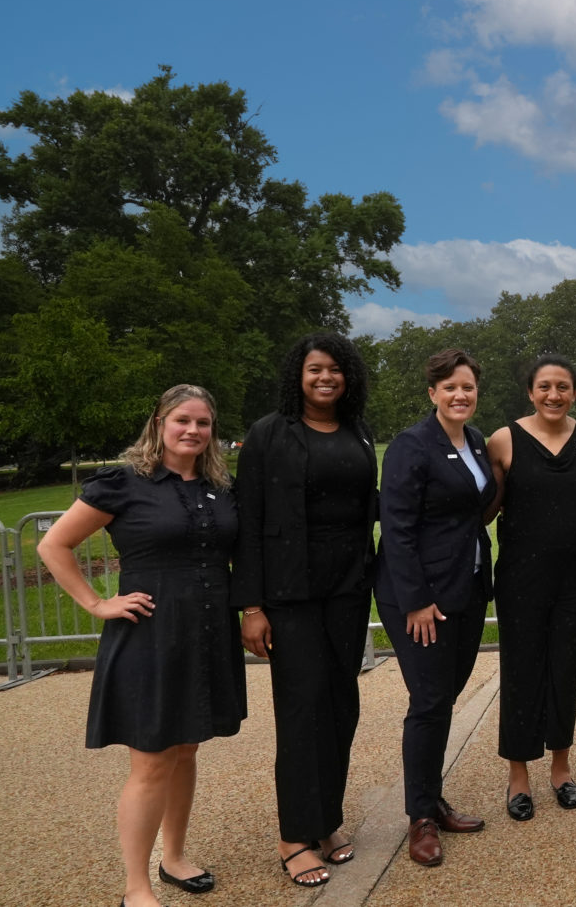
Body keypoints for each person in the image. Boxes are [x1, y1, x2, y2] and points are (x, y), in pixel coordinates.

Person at [38, 385, 244, 907]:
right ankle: (136, 887)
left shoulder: (220, 485)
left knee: (187, 748)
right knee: (152, 759)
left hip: (206, 632)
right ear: (159, 422)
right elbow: (53, 544)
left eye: (203, 422)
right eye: (182, 420)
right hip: (151, 634)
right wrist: (97, 603)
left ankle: (174, 857)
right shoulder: (124, 483)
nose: (193, 430)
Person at [233, 334, 378, 885]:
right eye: (316, 369)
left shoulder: (357, 431)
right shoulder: (270, 433)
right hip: (288, 594)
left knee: (342, 704)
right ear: (299, 375)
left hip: (346, 587)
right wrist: (250, 604)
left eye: (336, 370)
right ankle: (295, 834)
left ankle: (327, 820)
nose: (326, 378)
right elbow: (248, 522)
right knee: (302, 707)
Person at [376, 350, 498, 868]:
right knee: (428, 701)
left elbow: (480, 506)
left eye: (467, 387)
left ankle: (433, 798)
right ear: (432, 393)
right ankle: (420, 818)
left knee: (444, 698)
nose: (460, 395)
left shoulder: (473, 442)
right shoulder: (411, 445)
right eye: (449, 387)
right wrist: (417, 601)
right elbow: (396, 529)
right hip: (421, 598)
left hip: (466, 588)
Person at [488, 354, 576, 820]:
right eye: (544, 387)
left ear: (575, 392)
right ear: (530, 392)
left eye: (563, 387)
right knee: (521, 671)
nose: (553, 395)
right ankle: (518, 774)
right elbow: (485, 508)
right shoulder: (503, 440)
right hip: (520, 576)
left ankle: (561, 767)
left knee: (565, 669)